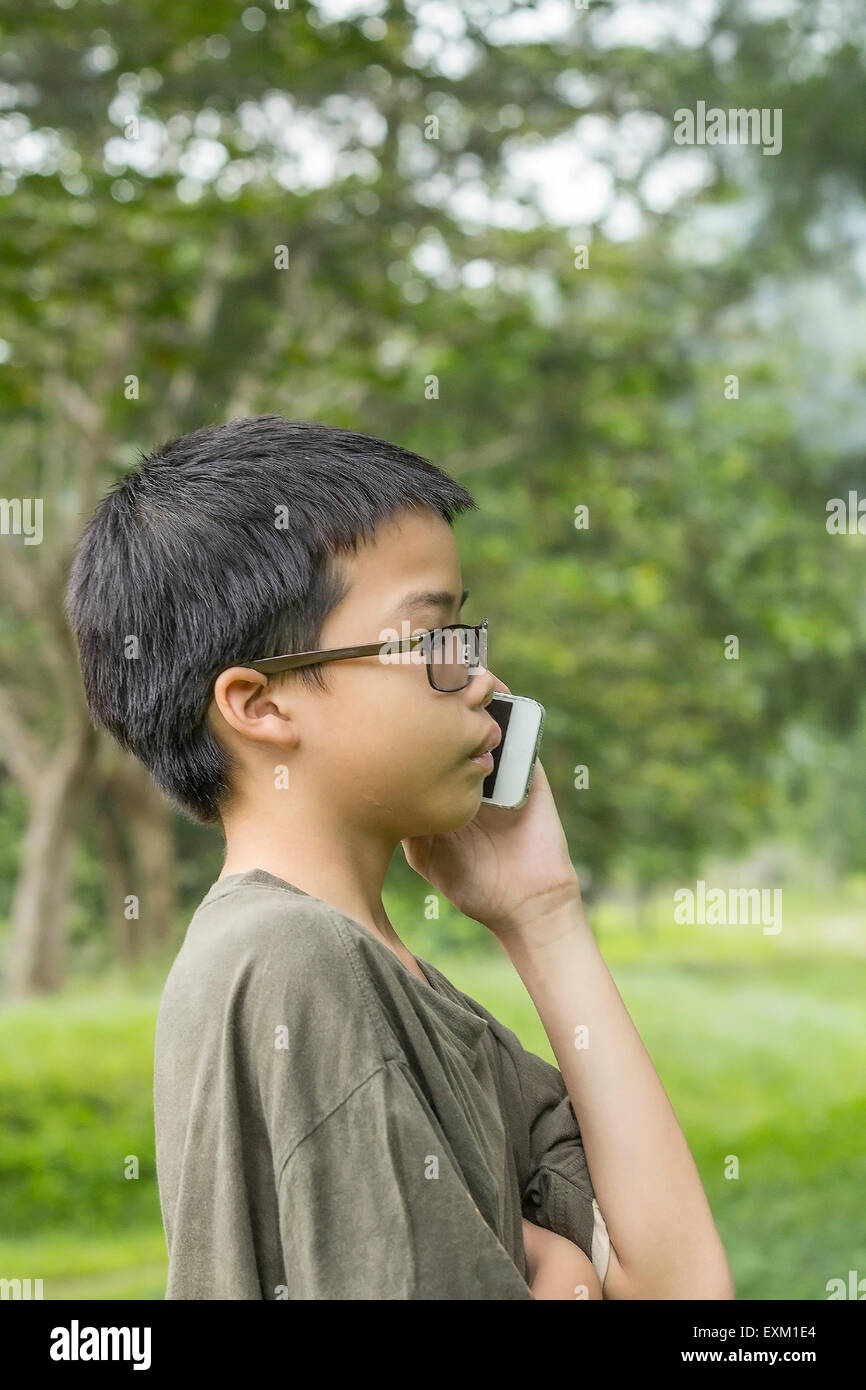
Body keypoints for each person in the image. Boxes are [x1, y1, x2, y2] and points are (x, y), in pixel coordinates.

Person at [65, 414, 734, 1300]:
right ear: (261, 706)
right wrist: (562, 1271)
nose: (485, 682)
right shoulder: (291, 961)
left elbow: (685, 1295)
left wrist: (544, 917)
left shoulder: (380, 972)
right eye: (431, 642)